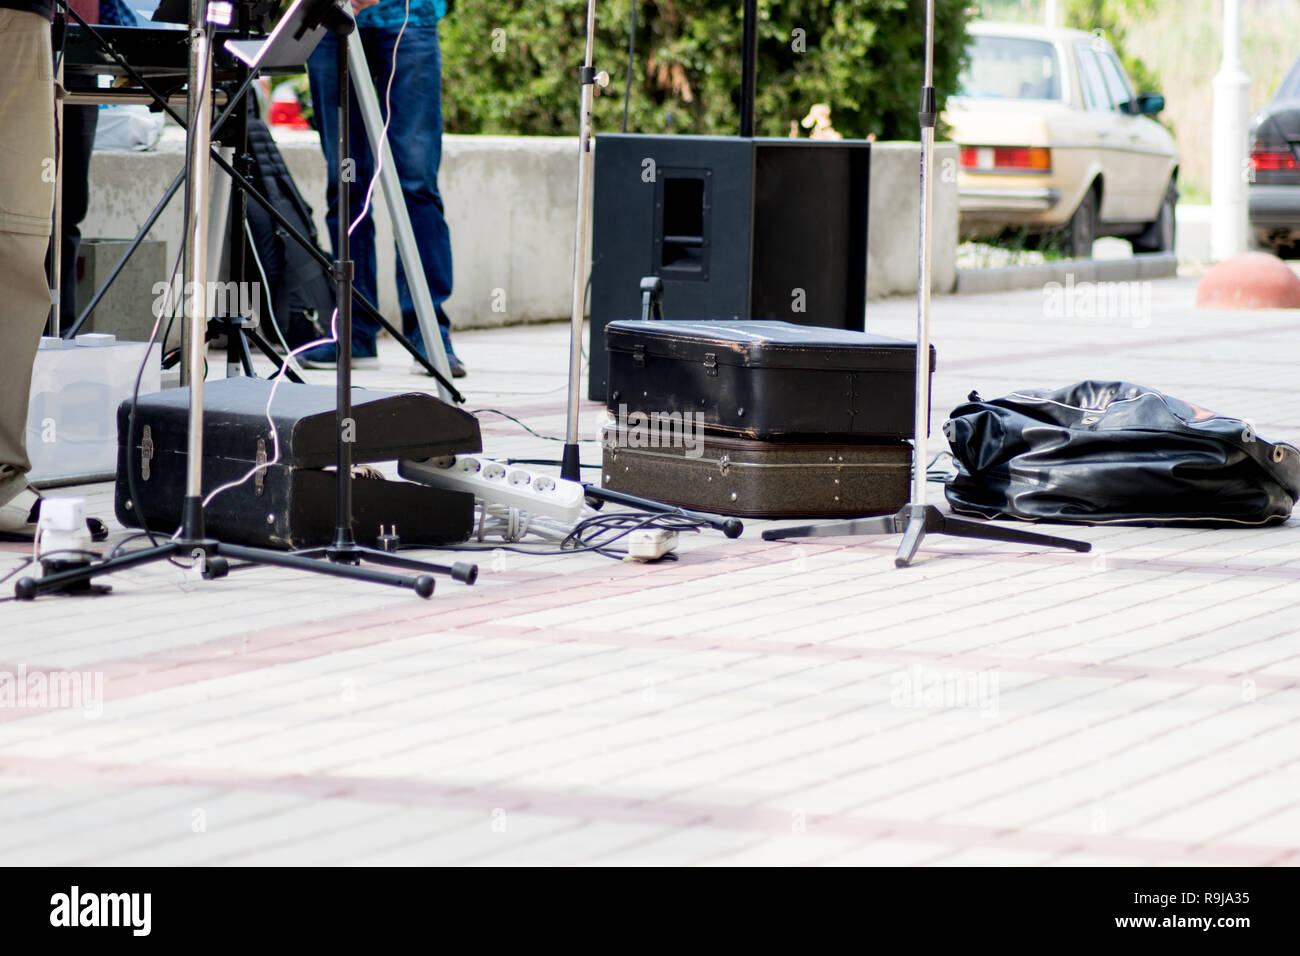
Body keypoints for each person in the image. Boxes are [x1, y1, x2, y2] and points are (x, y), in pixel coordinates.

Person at [303, 0, 466, 377]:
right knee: (344, 182)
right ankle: (354, 333)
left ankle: (429, 332)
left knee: (417, 185)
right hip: (329, 20)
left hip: (408, 21)